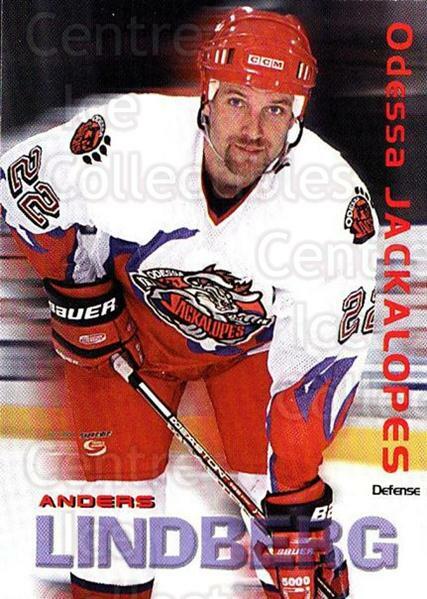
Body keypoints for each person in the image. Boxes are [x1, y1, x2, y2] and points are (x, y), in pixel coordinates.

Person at [0, 7, 378, 598]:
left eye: (276, 109)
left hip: (250, 355)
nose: (253, 130)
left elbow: (319, 367)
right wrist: (76, 290)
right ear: (206, 96)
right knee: (114, 541)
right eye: (237, 101)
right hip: (130, 341)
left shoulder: (332, 207)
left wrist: (298, 503)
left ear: (297, 116)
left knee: (288, 546)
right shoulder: (127, 141)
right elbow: (21, 183)